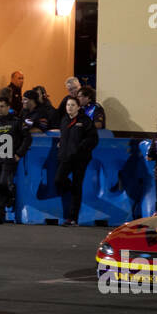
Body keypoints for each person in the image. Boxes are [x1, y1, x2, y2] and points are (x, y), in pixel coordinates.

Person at [0, 96, 30, 225]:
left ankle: (11, 196)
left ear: (8, 107)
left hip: (9, 159)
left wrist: (18, 154)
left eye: (2, 106)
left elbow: (27, 138)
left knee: (3, 183)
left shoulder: (16, 121)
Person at [57, 97, 97, 226]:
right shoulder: (64, 120)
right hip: (65, 157)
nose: (69, 107)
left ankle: (72, 218)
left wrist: (80, 148)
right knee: (58, 180)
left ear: (78, 107)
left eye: (73, 105)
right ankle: (71, 190)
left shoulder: (85, 121)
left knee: (77, 186)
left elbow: (93, 139)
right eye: (68, 105)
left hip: (80, 159)